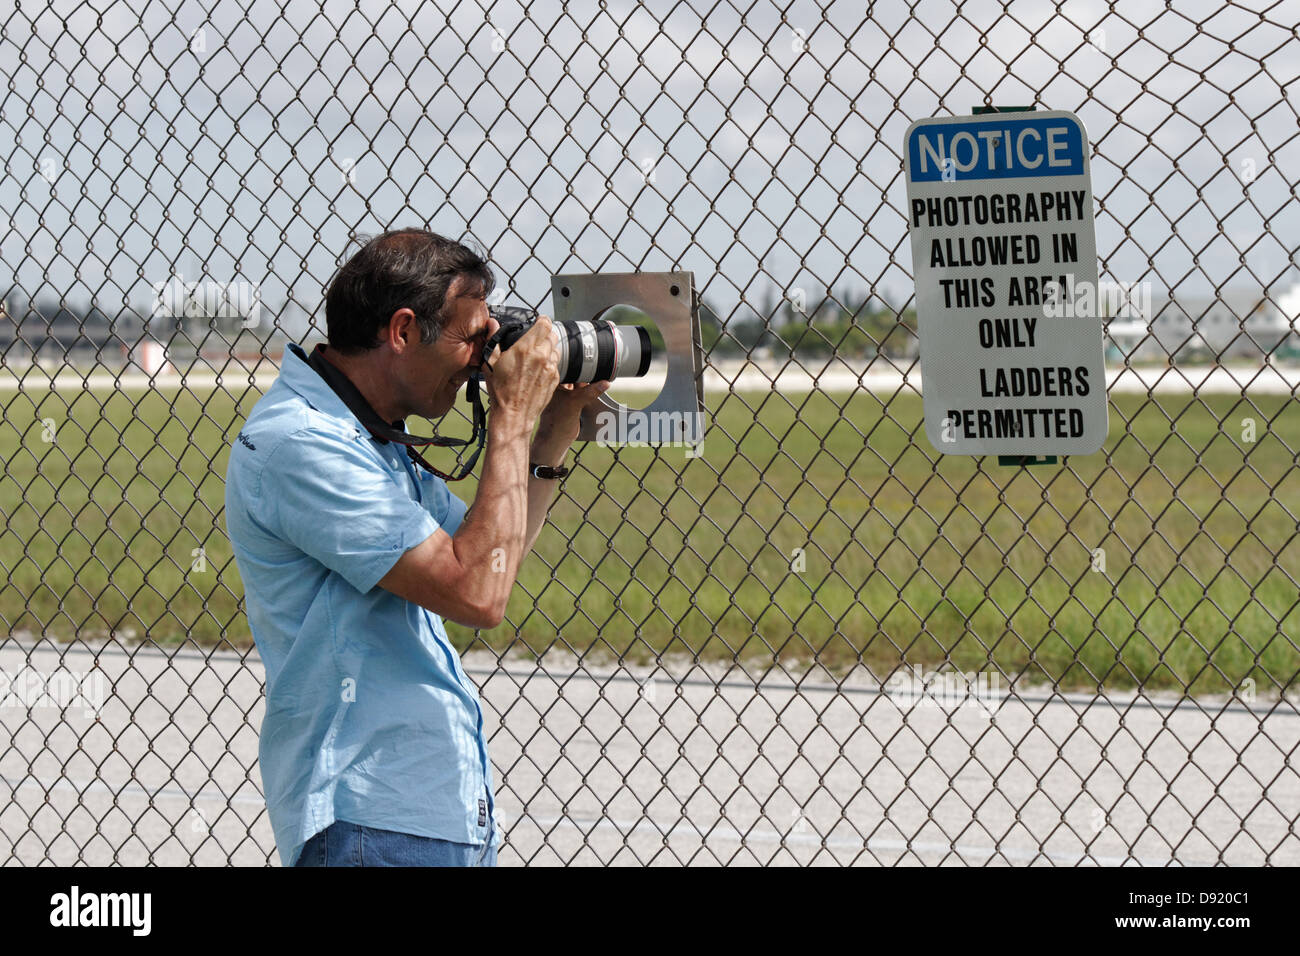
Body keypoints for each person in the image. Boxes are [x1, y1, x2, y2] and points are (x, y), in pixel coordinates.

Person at [223, 227, 607, 866]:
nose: (478, 362)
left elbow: (489, 557)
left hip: (412, 816)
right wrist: (511, 417)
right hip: (371, 820)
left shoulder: (369, 438)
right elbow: (477, 592)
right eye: (471, 337)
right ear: (402, 331)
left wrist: (553, 431)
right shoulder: (304, 444)